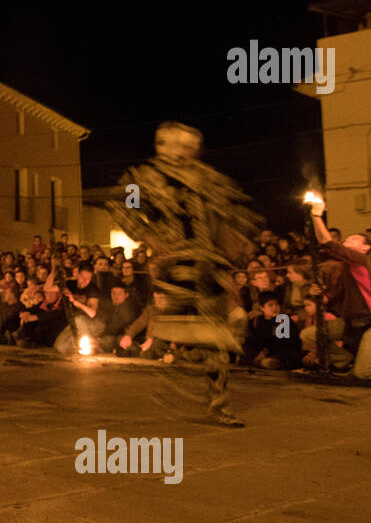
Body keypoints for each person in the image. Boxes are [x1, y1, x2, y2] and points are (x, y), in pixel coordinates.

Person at [106, 122, 260, 426]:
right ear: (161, 146)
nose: (182, 152)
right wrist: (149, 236)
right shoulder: (146, 177)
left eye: (189, 147)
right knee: (172, 328)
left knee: (218, 339)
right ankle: (170, 376)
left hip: (210, 266)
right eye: (174, 145)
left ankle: (219, 403)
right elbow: (119, 203)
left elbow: (236, 212)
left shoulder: (209, 179)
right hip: (175, 265)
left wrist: (236, 234)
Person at [306, 196, 371, 379]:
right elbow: (329, 299)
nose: (347, 242)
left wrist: (317, 216)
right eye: (346, 240)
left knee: (365, 373)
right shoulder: (341, 270)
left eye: (352, 240)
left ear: (364, 248)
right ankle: (344, 360)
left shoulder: (363, 261)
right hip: (351, 322)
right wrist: (316, 293)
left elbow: (329, 244)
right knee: (309, 335)